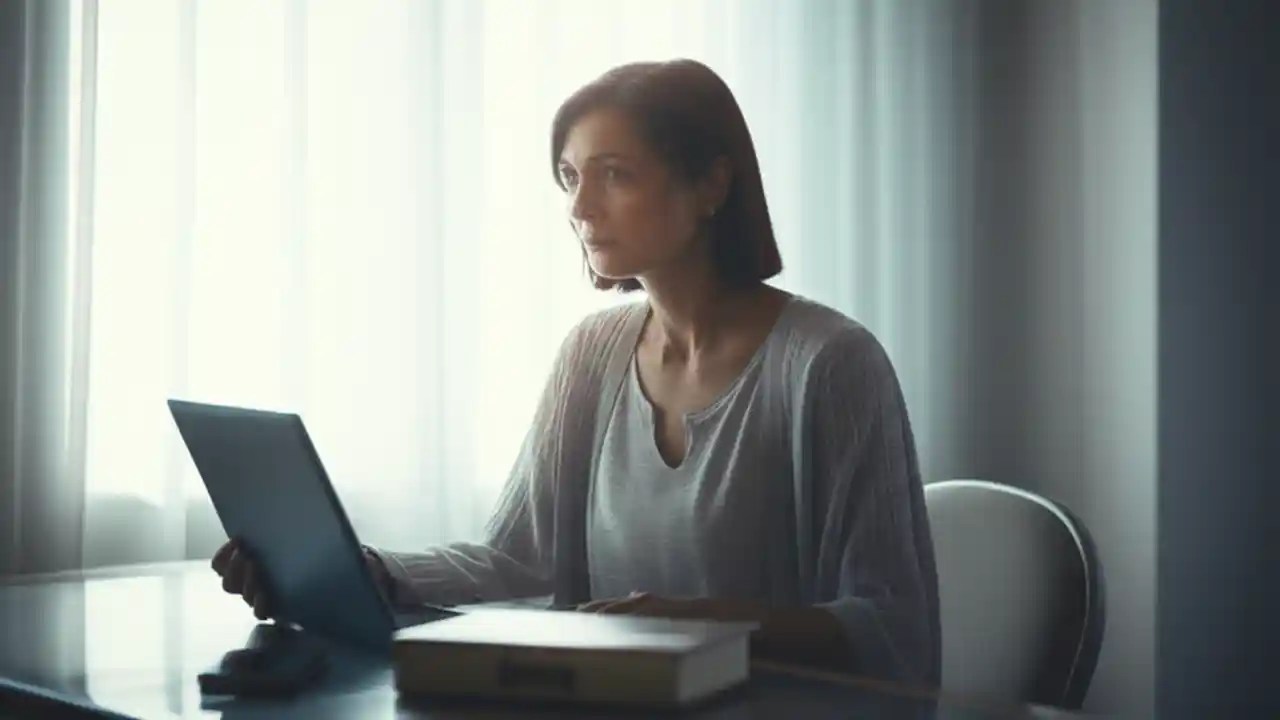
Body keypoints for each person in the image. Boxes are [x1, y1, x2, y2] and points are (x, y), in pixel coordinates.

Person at [213, 59, 939, 684]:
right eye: (569, 177)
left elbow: (893, 628)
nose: (581, 208)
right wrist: (372, 573)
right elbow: (517, 560)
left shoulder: (830, 364)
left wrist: (699, 626)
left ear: (712, 184)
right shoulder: (591, 354)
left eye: (614, 175)